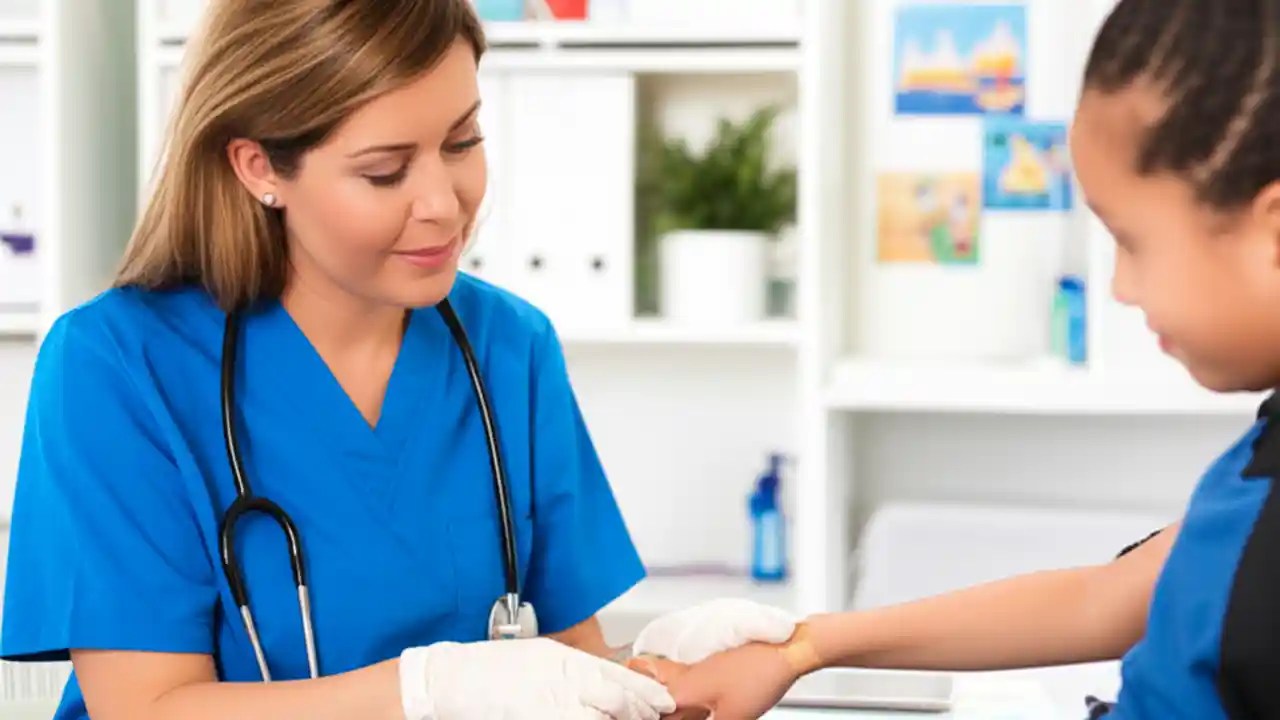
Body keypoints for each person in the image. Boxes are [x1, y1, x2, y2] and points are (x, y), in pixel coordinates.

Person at [0, 1, 794, 718]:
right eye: (385, 171)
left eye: (463, 142)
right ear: (260, 168)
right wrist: (423, 692)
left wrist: (661, 680)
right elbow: (145, 710)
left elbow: (566, 673)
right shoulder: (116, 366)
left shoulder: (508, 350)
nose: (444, 204)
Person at [645, 1, 1280, 718]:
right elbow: (1113, 596)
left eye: (1132, 240)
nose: (1119, 287)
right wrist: (801, 648)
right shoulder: (1256, 472)